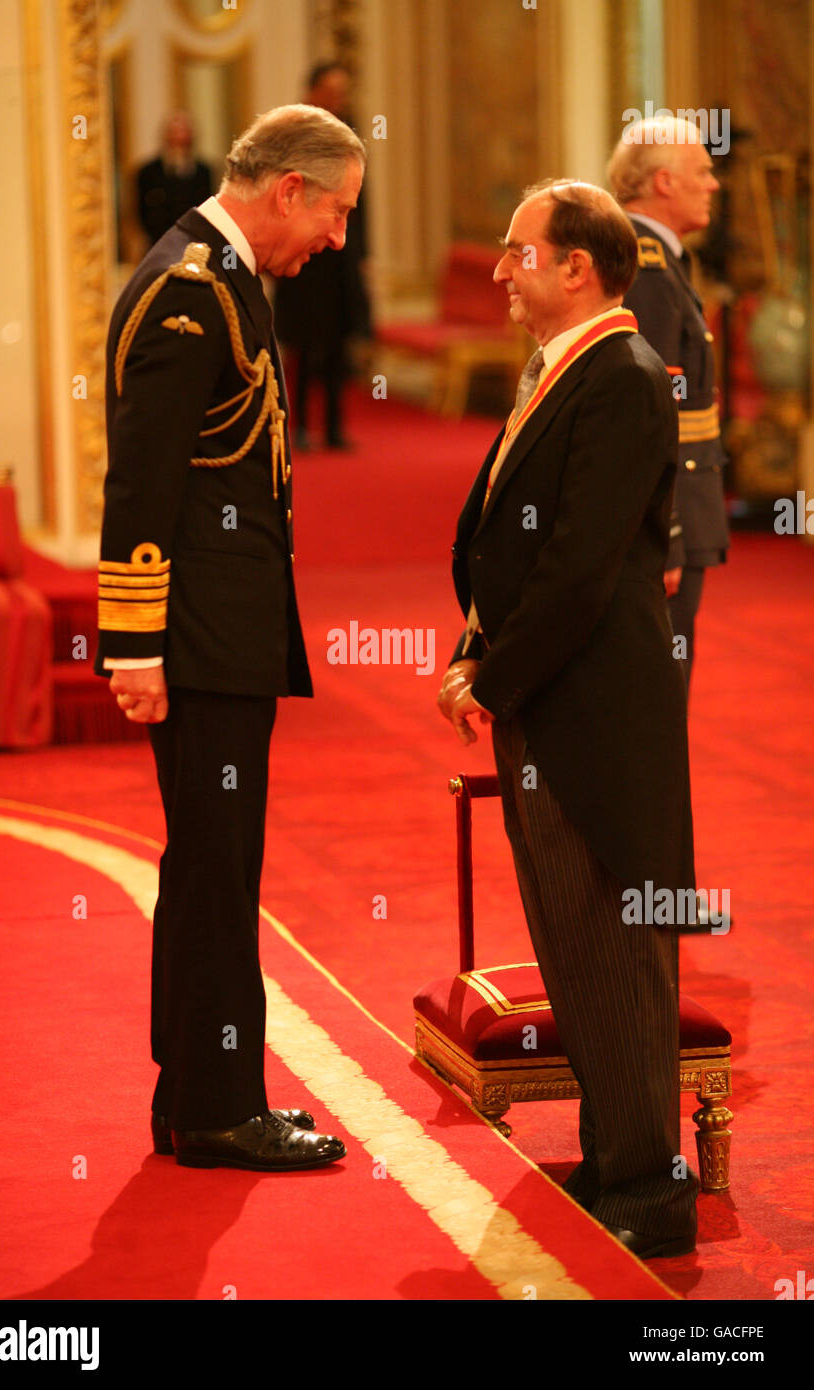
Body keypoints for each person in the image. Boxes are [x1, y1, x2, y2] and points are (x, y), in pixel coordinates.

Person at [95, 104, 365, 1171]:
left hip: (222, 628)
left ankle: (195, 1093)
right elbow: (143, 480)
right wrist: (133, 644)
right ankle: (217, 1107)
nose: (338, 239)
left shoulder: (224, 278)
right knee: (217, 866)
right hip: (197, 637)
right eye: (336, 212)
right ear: (288, 188)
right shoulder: (188, 292)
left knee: (211, 862)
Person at [437, 181, 700, 1258]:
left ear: (575, 268)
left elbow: (581, 568)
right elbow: (517, 541)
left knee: (614, 944)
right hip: (552, 701)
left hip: (595, 714)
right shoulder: (565, 368)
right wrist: (473, 642)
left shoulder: (623, 377)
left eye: (516, 252)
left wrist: (490, 680)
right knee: (576, 944)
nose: (498, 270)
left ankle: (650, 1185)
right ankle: (612, 1155)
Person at [608, 116, 730, 694]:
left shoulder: (661, 259)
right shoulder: (648, 269)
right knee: (660, 693)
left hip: (682, 502)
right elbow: (651, 416)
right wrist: (671, 534)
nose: (714, 184)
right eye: (702, 172)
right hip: (673, 513)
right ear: (663, 182)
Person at [273, 62, 372, 450]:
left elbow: (363, 198)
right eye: (331, 90)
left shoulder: (351, 134)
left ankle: (333, 428)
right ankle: (297, 428)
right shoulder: (294, 134)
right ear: (312, 92)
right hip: (305, 253)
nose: (338, 98)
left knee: (336, 343)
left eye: (342, 91)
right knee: (300, 343)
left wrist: (362, 254)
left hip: (340, 258)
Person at [136, 111, 213, 248]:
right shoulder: (148, 172)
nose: (179, 138)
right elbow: (140, 213)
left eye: (183, 133)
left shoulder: (203, 172)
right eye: (174, 133)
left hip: (193, 244)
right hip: (158, 244)